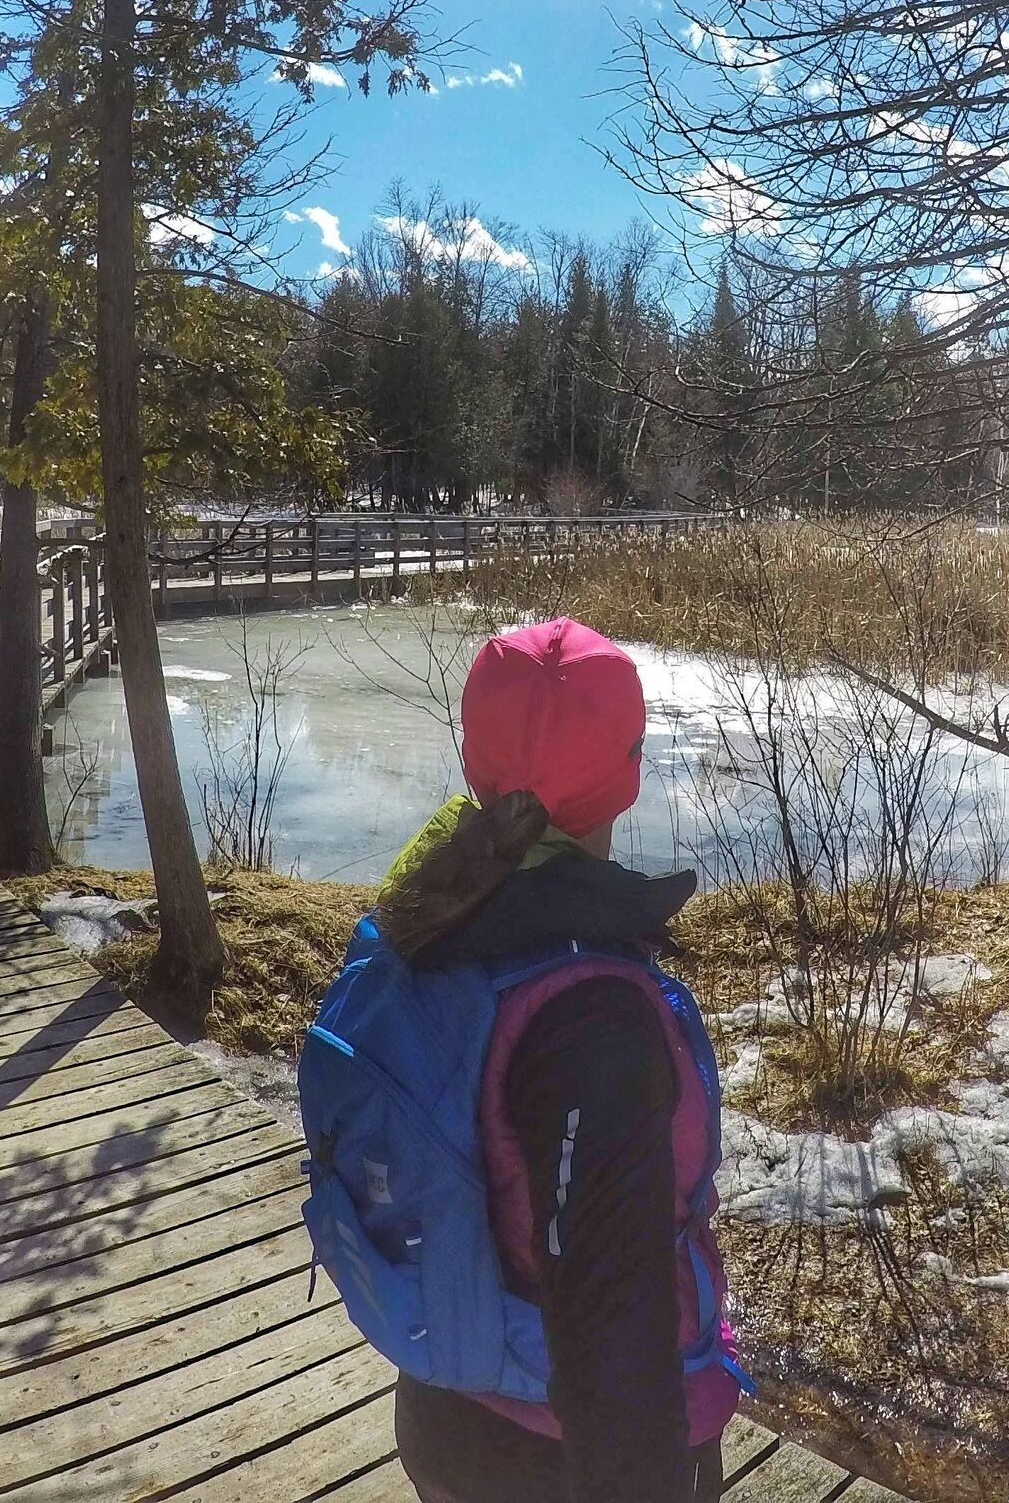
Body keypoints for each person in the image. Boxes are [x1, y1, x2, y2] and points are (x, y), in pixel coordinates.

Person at [298, 617, 740, 1503]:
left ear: (474, 764)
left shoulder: (425, 918)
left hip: (446, 1414)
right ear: (629, 770)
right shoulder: (590, 1014)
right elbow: (614, 1321)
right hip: (560, 1464)